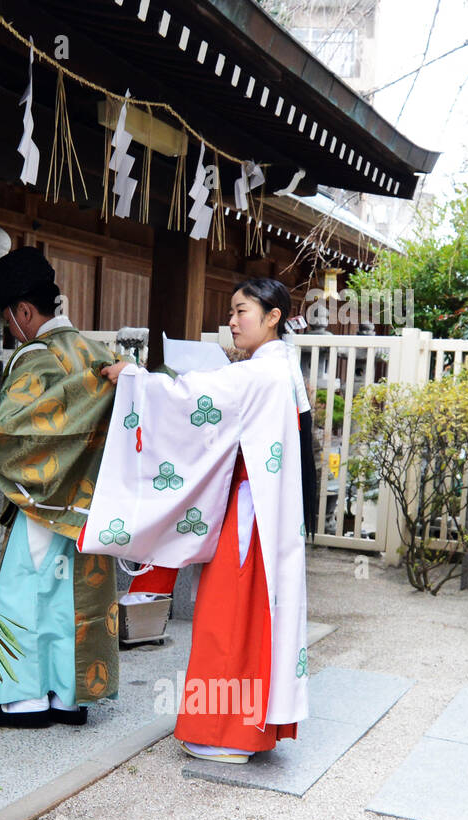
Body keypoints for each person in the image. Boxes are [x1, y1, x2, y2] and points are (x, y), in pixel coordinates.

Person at [84, 278, 313, 762]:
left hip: (252, 513)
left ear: (273, 317)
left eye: (242, 311)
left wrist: (135, 378)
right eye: (231, 312)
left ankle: (226, 733)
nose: (232, 321)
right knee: (242, 617)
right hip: (262, 510)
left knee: (226, 617)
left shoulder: (261, 372)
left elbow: (191, 396)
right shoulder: (279, 368)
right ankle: (245, 728)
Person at [0, 246, 120, 728]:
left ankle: (23, 699)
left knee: (24, 594)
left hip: (45, 502)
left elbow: (19, 430)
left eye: (8, 320)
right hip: (93, 507)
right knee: (73, 600)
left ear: (23, 311)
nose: (8, 330)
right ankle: (67, 698)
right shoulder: (98, 352)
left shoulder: (35, 356)